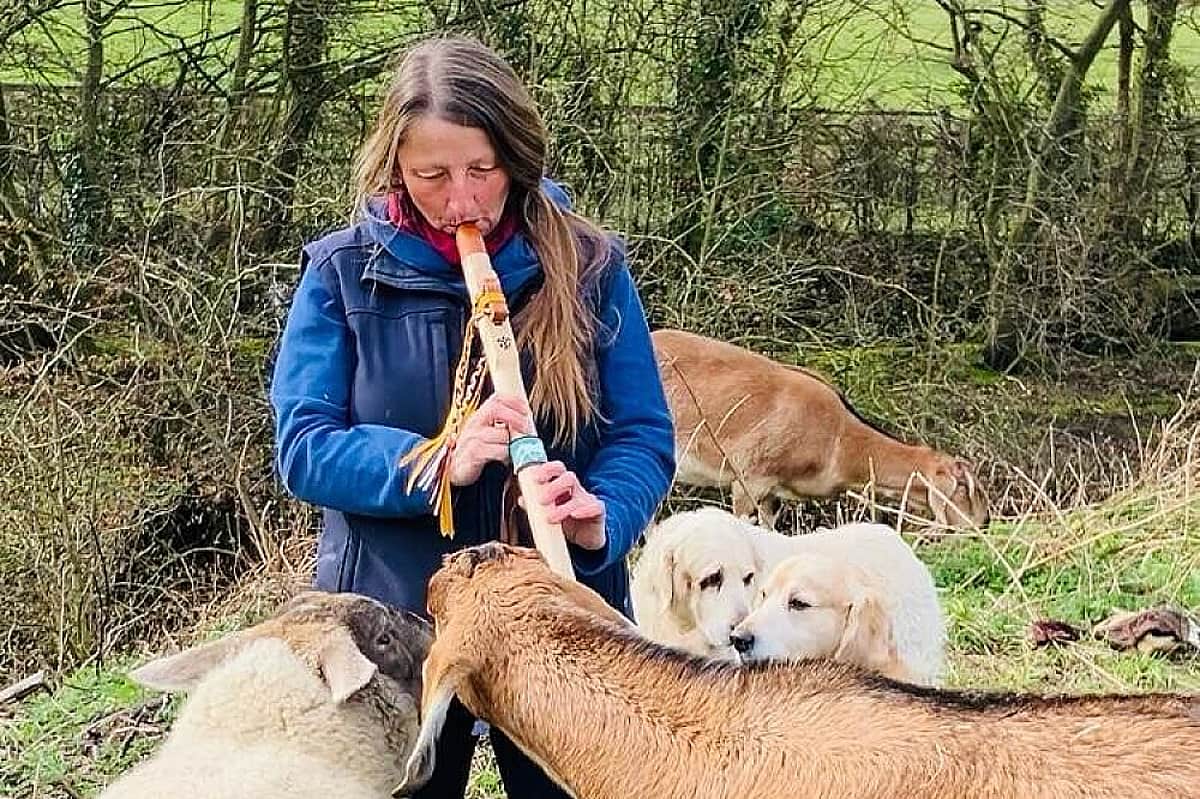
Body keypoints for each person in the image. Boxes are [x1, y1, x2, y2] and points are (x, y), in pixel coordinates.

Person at [268, 34, 676, 798]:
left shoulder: (589, 266)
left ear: (516, 161)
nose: (463, 202)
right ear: (396, 168)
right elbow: (304, 446)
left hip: (562, 615)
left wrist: (600, 516)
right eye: (433, 176)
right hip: (394, 624)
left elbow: (643, 435)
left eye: (483, 172)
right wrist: (435, 461)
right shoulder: (341, 271)